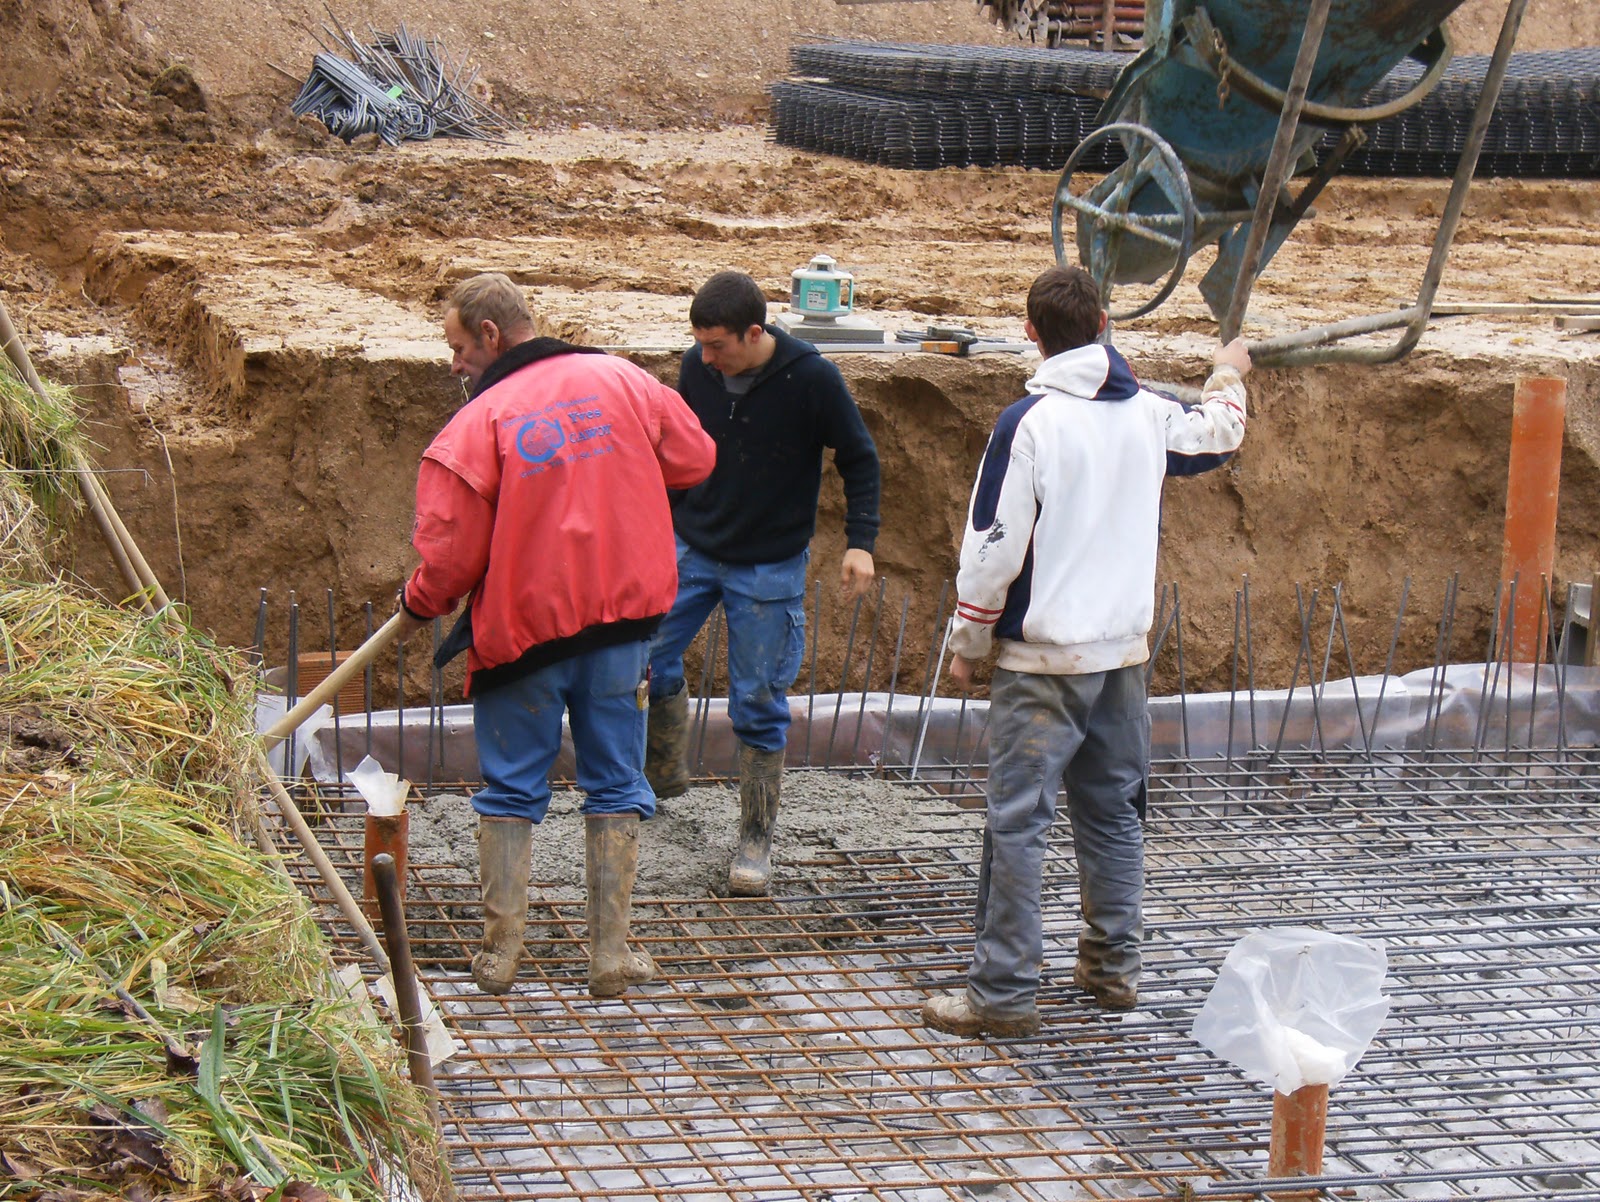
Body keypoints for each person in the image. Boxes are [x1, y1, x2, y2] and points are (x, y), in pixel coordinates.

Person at [923, 265, 1251, 1038]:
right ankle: (1112, 971)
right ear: (1106, 320)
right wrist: (1227, 373)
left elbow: (994, 550)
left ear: (1031, 332)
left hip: (1043, 665)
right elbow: (1219, 432)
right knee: (1113, 816)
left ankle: (1001, 996)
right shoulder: (1146, 413)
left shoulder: (1028, 424)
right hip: (1122, 658)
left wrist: (967, 641)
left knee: (1018, 824)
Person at [395, 272, 716, 997]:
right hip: (619, 633)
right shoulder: (623, 380)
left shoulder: (477, 425)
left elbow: (449, 558)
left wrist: (419, 602)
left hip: (524, 639)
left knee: (509, 791)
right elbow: (695, 459)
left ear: (491, 336)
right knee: (616, 784)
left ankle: (499, 956)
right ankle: (610, 956)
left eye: (456, 349)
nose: (453, 366)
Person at [644, 270, 881, 896]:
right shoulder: (699, 369)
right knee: (644, 658)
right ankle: (664, 769)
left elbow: (859, 457)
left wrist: (860, 541)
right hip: (693, 546)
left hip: (768, 563)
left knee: (756, 700)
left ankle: (754, 838)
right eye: (700, 343)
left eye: (719, 345)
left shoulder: (812, 380)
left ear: (756, 332)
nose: (706, 357)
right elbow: (673, 448)